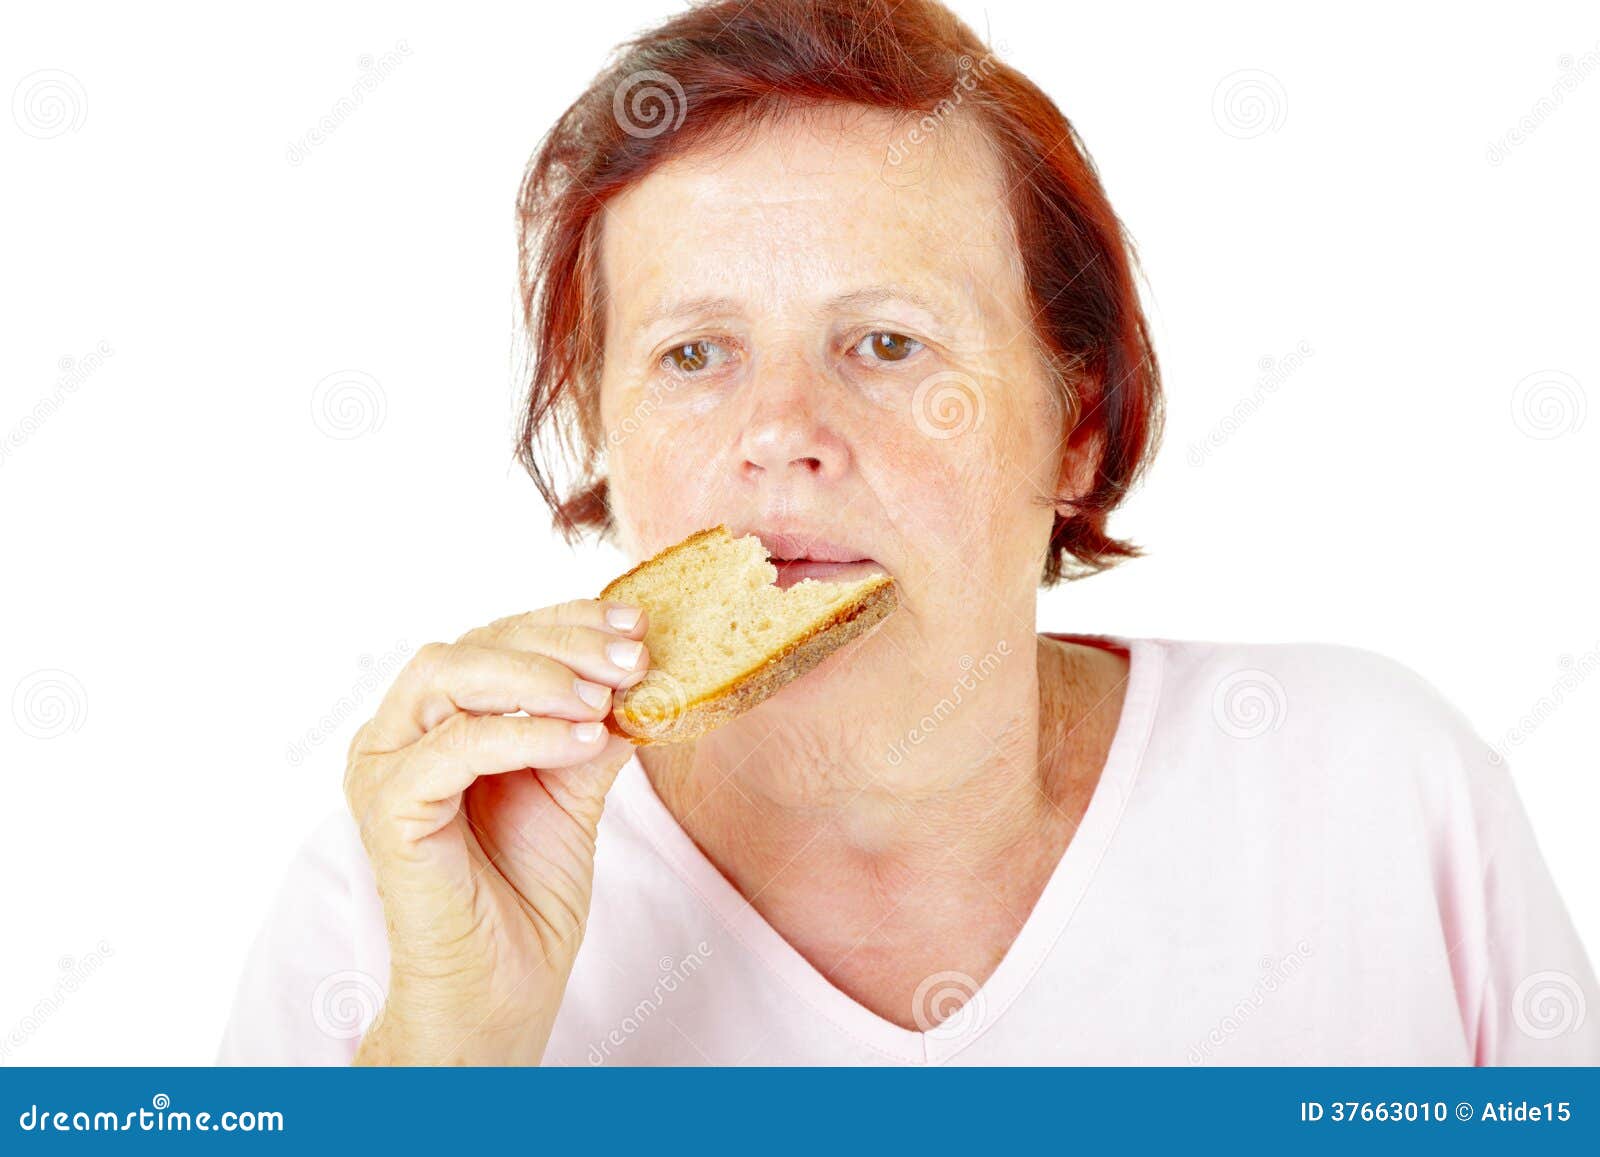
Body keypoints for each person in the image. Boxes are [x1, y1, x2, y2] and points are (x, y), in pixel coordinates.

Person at [218, 0, 1599, 1065]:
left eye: (887, 342)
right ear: (602, 430)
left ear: (1074, 424)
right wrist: (449, 1062)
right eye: (695, 353)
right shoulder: (412, 887)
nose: (782, 429)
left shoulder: (1374, 792)